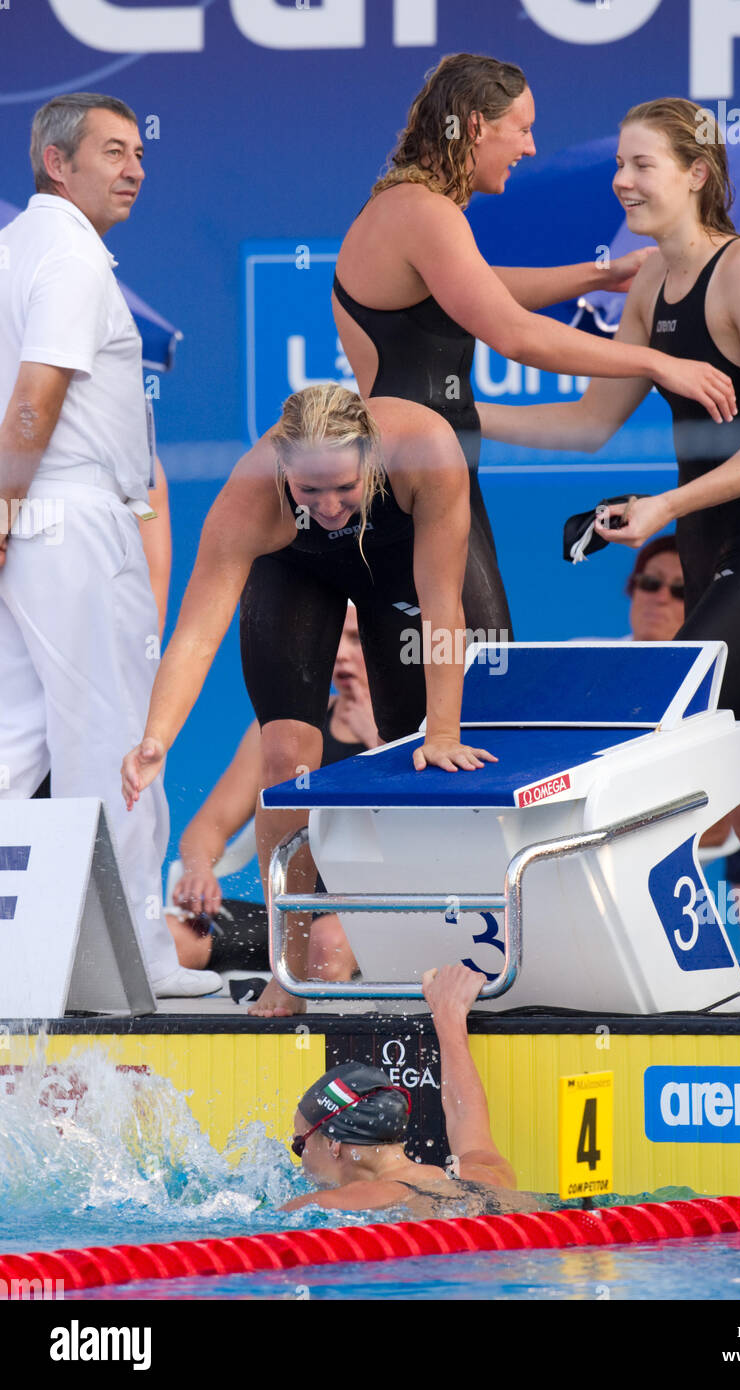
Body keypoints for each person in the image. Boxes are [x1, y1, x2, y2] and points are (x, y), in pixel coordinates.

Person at [479, 97, 740, 903]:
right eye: (619, 163)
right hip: (709, 558)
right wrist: (453, 410)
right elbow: (591, 422)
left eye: (641, 165)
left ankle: (628, 952)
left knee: (659, 729)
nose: (620, 180)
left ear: (696, 175)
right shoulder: (652, 282)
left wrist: (668, 506)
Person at [121, 385, 496, 1017]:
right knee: (285, 756)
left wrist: (442, 731)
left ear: (371, 458)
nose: (327, 506)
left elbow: (441, 608)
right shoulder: (251, 493)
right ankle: (289, 967)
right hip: (299, 573)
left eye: (344, 489)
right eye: (308, 491)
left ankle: (455, 948)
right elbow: (196, 632)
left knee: (432, 753)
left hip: (408, 568)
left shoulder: (425, 451)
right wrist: (156, 736)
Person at [333, 54, 737, 639]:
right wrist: (658, 361)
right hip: (414, 478)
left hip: (410, 472)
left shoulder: (409, 205)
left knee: (446, 685)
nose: (530, 147)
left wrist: (597, 276)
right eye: (521, 129)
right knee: (483, 667)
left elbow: (479, 288)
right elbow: (515, 333)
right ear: (475, 126)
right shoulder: (426, 213)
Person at [0, 92, 217, 1000]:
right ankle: (143, 963)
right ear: (57, 162)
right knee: (119, 749)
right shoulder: (73, 257)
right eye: (114, 152)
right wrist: (7, 501)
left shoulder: (12, 250)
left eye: (139, 152)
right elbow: (36, 395)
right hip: (74, 522)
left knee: (10, 751)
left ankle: (15, 961)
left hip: (31, 523)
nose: (136, 167)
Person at [165, 603, 378, 983]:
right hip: (287, 919)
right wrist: (199, 872)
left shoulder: (419, 730)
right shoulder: (286, 732)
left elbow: (428, 838)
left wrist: (375, 743)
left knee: (324, 944)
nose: (342, 653)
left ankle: (321, 1043)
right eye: (334, 639)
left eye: (356, 639)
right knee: (168, 937)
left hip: (377, 916)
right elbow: (207, 828)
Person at [281, 964, 548, 1217]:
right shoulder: (487, 1177)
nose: (301, 1166)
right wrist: (449, 1014)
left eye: (299, 1145)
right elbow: (465, 1114)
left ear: (333, 1144)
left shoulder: (334, 1204)